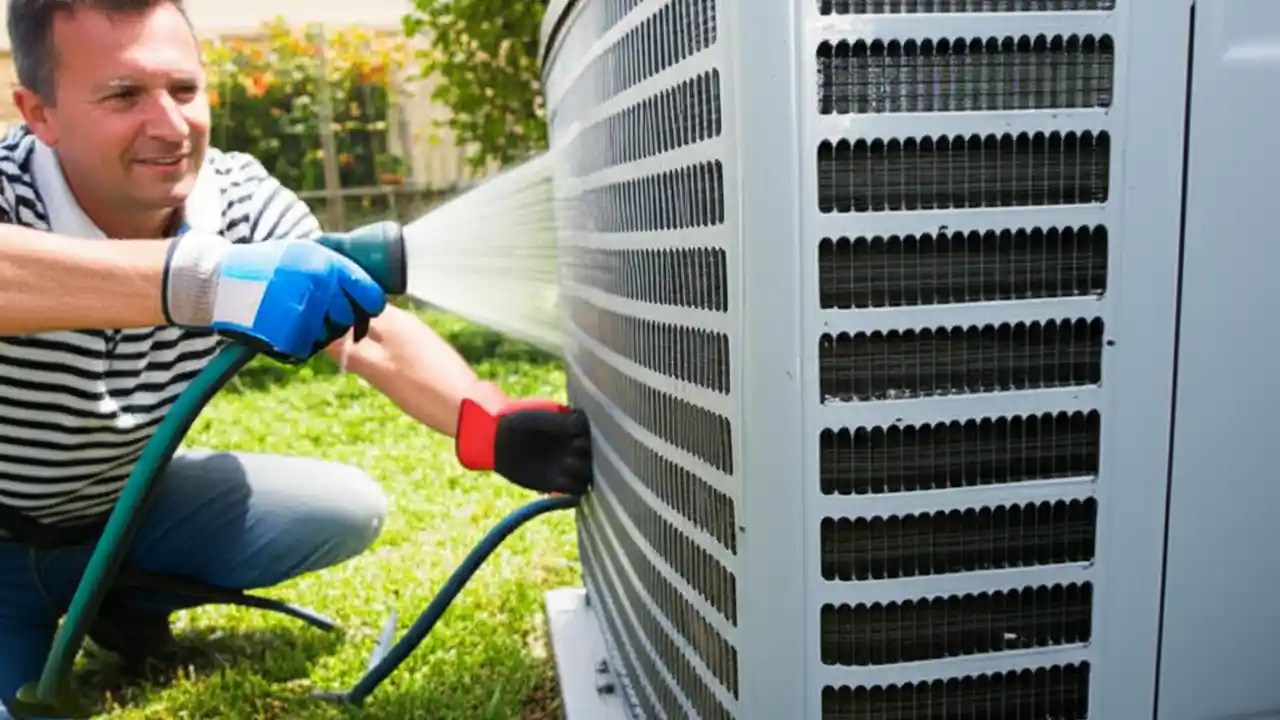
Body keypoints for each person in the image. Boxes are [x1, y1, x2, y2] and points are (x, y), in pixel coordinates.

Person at [0, 0, 593, 712]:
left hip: (122, 516)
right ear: (40, 113)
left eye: (184, 90)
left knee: (338, 508)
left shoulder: (238, 196)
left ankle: (120, 600)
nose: (170, 126)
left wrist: (488, 422)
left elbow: (364, 325)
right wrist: (199, 281)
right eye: (124, 95)